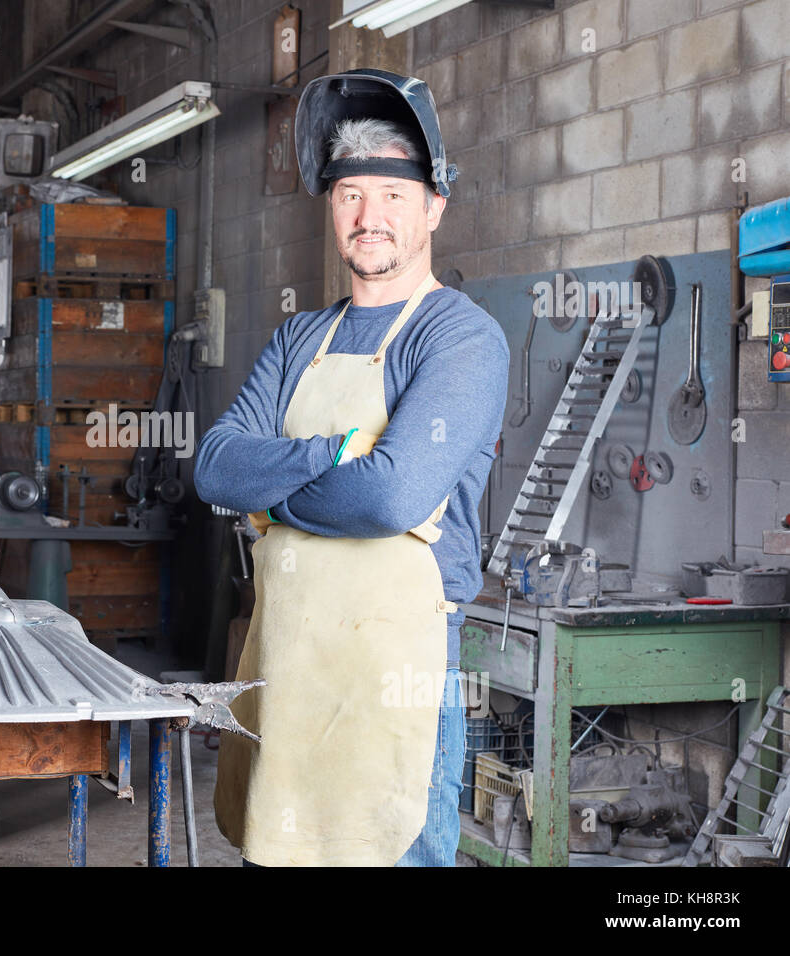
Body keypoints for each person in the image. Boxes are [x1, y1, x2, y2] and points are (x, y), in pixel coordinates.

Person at [193, 69, 510, 866]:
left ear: (434, 207)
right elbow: (217, 469)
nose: (370, 217)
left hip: (399, 667)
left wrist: (276, 500)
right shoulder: (299, 338)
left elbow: (391, 497)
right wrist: (331, 456)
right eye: (349, 195)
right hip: (288, 662)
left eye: (394, 196)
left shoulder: (460, 340)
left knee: (393, 849)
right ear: (330, 207)